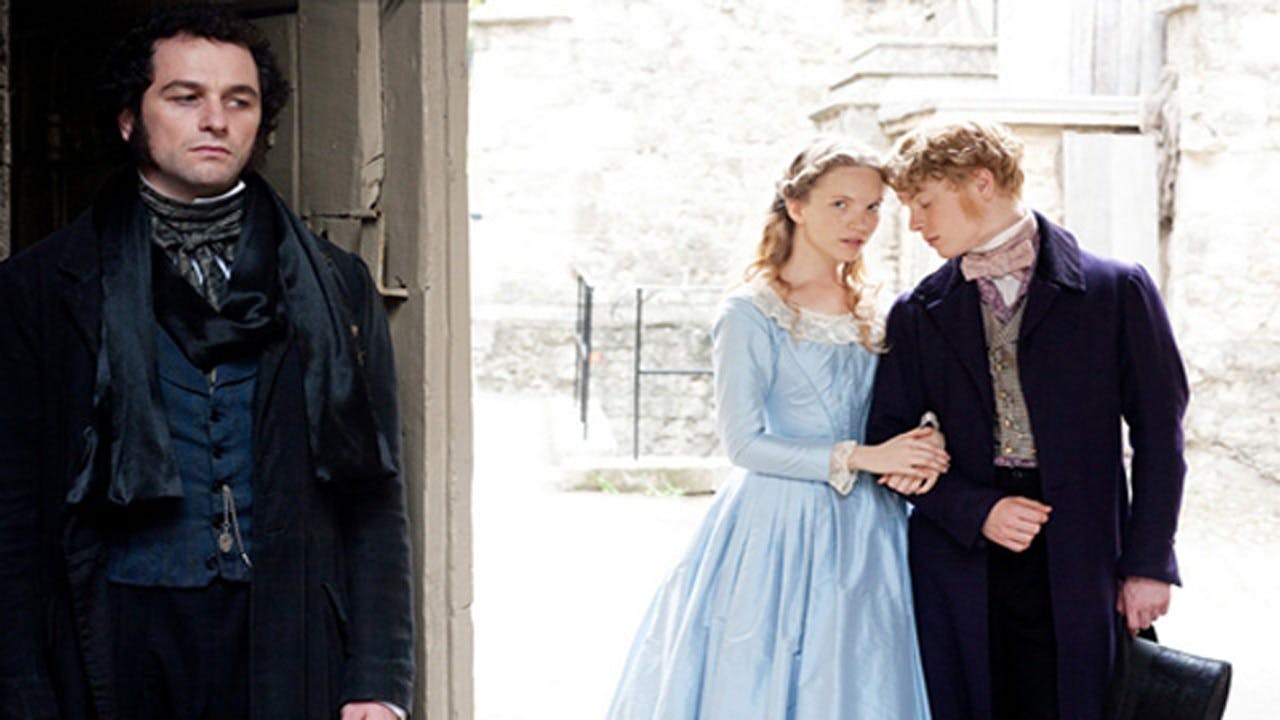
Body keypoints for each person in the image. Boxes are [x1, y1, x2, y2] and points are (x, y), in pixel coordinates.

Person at [0, 6, 414, 719]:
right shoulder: (41, 286)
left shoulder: (333, 284)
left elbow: (373, 496)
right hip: (119, 632)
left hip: (284, 634)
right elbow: (12, 508)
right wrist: (23, 691)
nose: (215, 120)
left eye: (238, 100)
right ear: (129, 119)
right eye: (185, 96)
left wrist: (378, 679)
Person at [606, 137, 950, 719]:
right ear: (796, 206)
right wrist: (864, 458)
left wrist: (927, 436)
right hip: (779, 528)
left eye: (872, 207)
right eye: (840, 205)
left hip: (871, 530)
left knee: (861, 681)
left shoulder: (878, 308)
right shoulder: (751, 311)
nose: (860, 222)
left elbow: (907, 404)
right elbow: (743, 444)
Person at [867, 121, 1189, 720]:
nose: (914, 223)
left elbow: (1160, 437)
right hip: (959, 556)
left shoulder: (1117, 290)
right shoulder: (916, 312)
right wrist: (976, 509)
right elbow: (884, 442)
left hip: (1085, 549)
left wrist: (1148, 564)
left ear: (981, 183)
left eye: (925, 203)